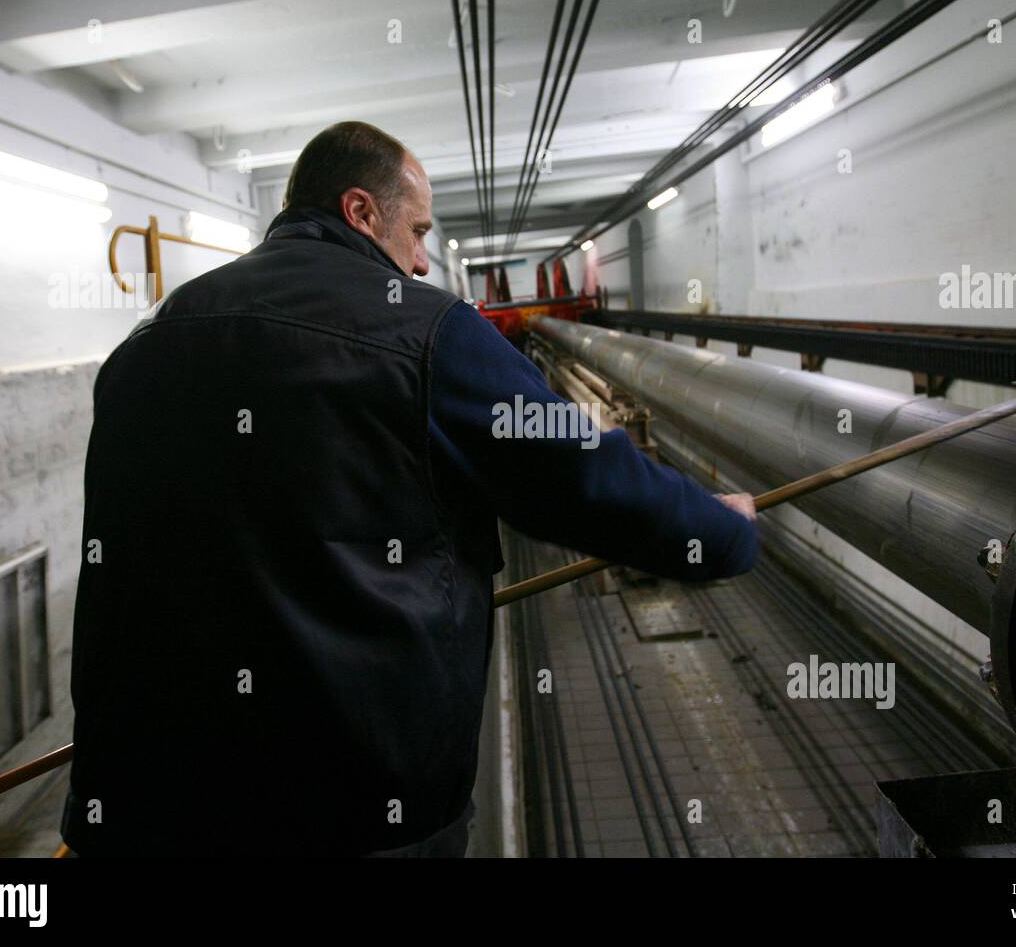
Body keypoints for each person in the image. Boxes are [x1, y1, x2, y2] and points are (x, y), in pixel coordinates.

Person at [61, 121, 759, 857]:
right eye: (418, 231)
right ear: (361, 211)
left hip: (140, 805)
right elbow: (577, 472)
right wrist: (717, 528)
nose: (424, 262)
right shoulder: (426, 334)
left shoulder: (144, 345)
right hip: (349, 806)